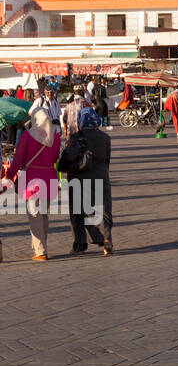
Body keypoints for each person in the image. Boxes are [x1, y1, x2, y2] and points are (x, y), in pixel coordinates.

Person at [1, 108, 61, 261]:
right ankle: (40, 246)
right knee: (44, 215)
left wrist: (8, 176)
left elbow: (18, 159)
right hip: (49, 178)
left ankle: (40, 251)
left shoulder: (28, 136)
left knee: (35, 215)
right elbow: (55, 158)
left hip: (32, 179)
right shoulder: (55, 137)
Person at [66, 110, 113, 256]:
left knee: (78, 212)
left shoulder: (77, 137)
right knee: (103, 210)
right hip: (101, 177)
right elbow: (107, 159)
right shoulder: (105, 137)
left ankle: (80, 244)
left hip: (79, 178)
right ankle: (107, 240)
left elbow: (69, 157)